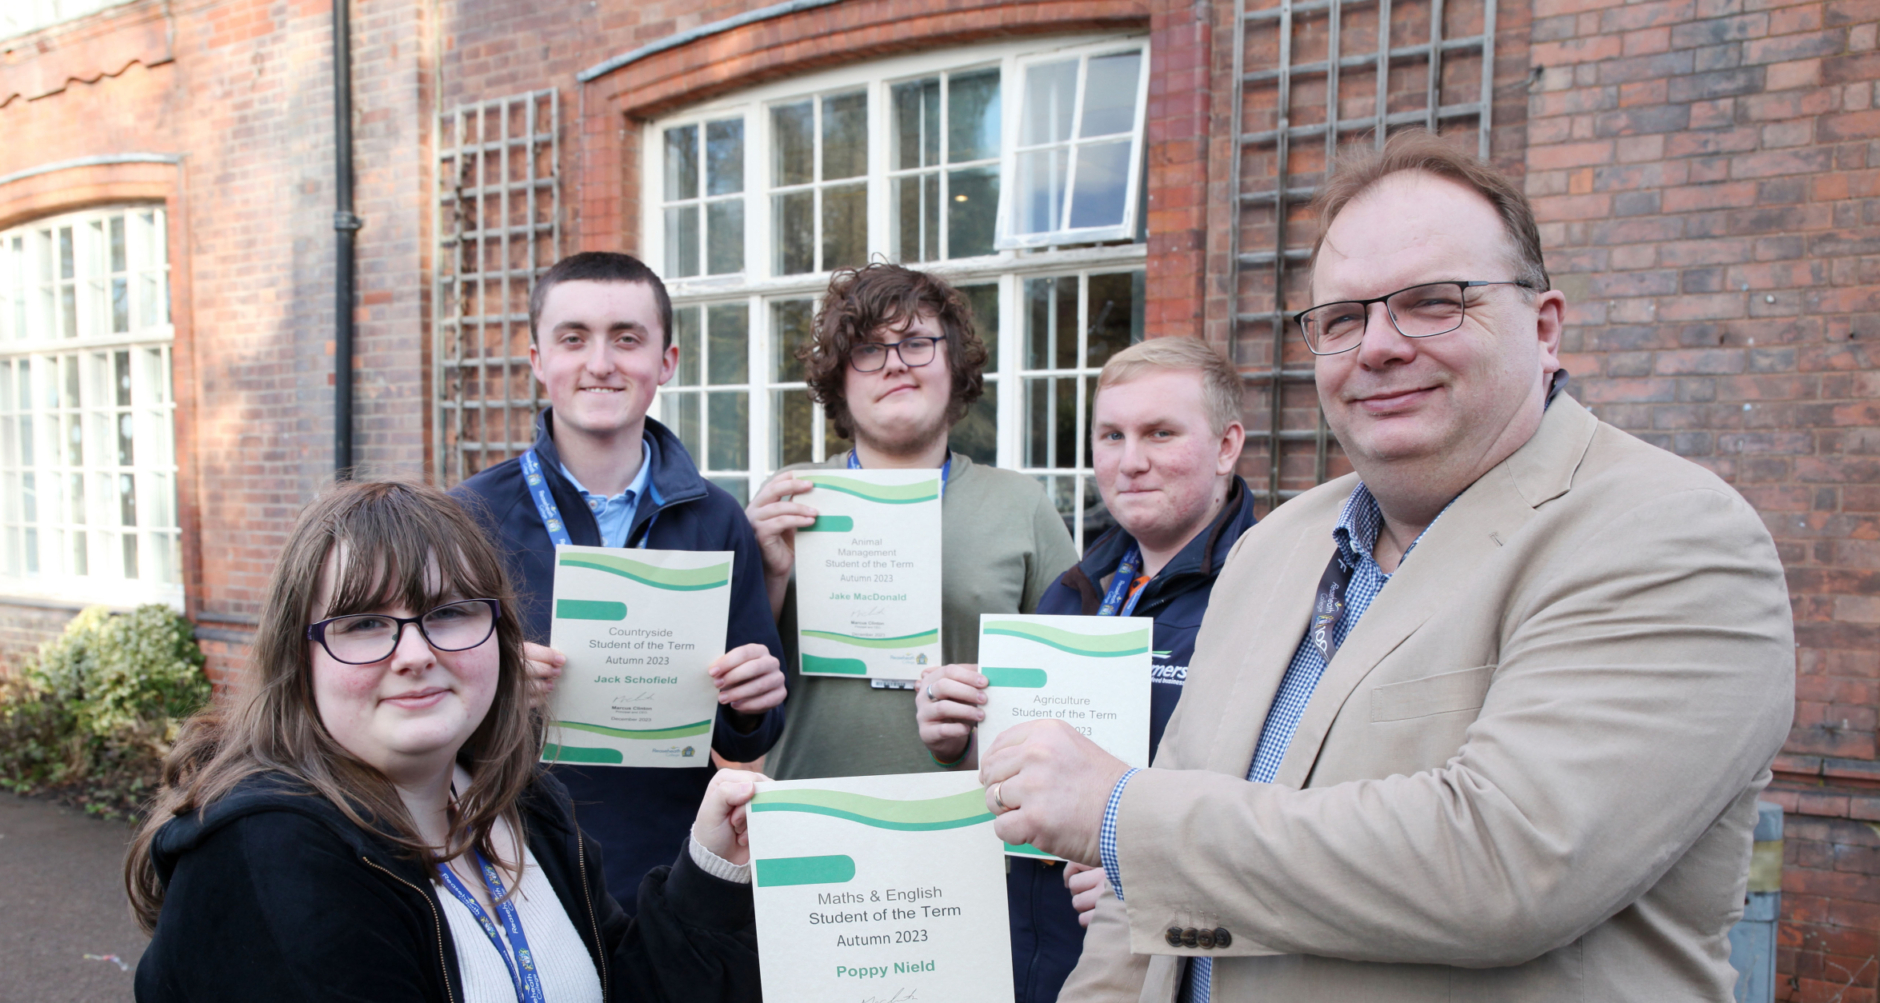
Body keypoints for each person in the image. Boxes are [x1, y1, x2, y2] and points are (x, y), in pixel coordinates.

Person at [980, 129, 1796, 1002]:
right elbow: (1143, 896)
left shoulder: (1667, 533)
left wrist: (1115, 811)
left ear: (1545, 326)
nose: (1378, 345)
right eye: (1343, 317)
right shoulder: (1273, 548)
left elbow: (1506, 863)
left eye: (1434, 301)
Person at [126, 480, 765, 1003]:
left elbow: (623, 988)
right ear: (302, 657)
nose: (414, 654)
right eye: (364, 623)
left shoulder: (523, 802)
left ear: (500, 633)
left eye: (448, 613)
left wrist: (710, 866)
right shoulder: (268, 853)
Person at [915, 337, 1256, 1003]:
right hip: (1027, 955)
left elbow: (1283, 820)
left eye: (1160, 433)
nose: (1131, 461)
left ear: (1226, 446)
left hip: (1160, 972)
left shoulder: (1268, 598)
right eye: (1111, 435)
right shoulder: (1071, 591)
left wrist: (1149, 879)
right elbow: (1009, 784)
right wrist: (957, 739)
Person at [454, 251, 786, 912]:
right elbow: (430, 700)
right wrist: (489, 681)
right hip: (514, 861)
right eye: (573, 338)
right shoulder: (469, 516)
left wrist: (753, 700)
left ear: (666, 361)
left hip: (671, 867)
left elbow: (747, 734)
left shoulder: (715, 516)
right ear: (537, 360)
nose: (601, 362)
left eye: (627, 338)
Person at [747, 263, 1077, 779]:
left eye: (917, 343)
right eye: (868, 350)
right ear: (839, 377)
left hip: (976, 820)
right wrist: (767, 573)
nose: (895, 365)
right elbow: (735, 687)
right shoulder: (792, 498)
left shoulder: (1020, 505)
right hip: (809, 813)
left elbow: (1069, 688)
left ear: (954, 364)